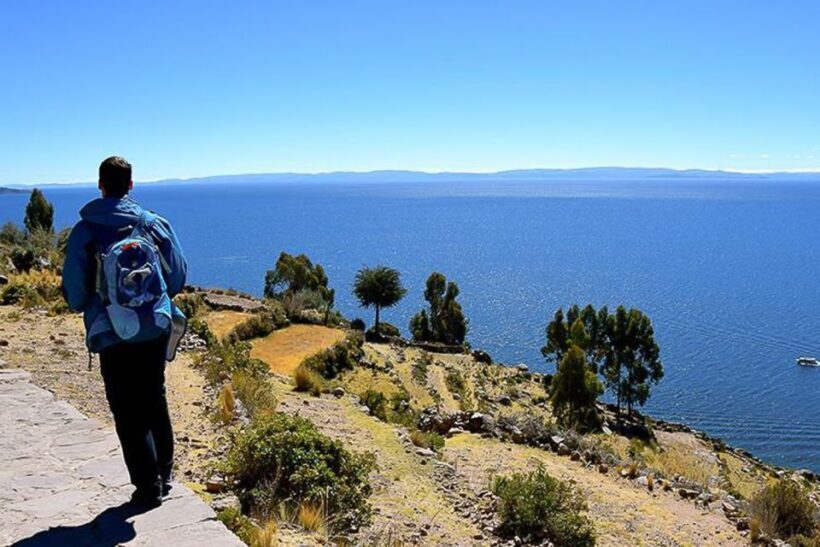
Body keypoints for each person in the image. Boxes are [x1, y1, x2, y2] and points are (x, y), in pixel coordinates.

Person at [62, 156, 187, 508]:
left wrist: (93, 303)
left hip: (111, 329)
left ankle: (148, 486)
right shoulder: (152, 224)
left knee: (125, 406)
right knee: (154, 395)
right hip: (154, 326)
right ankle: (165, 473)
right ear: (131, 185)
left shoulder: (85, 231)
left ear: (100, 185)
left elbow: (74, 291)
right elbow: (177, 276)